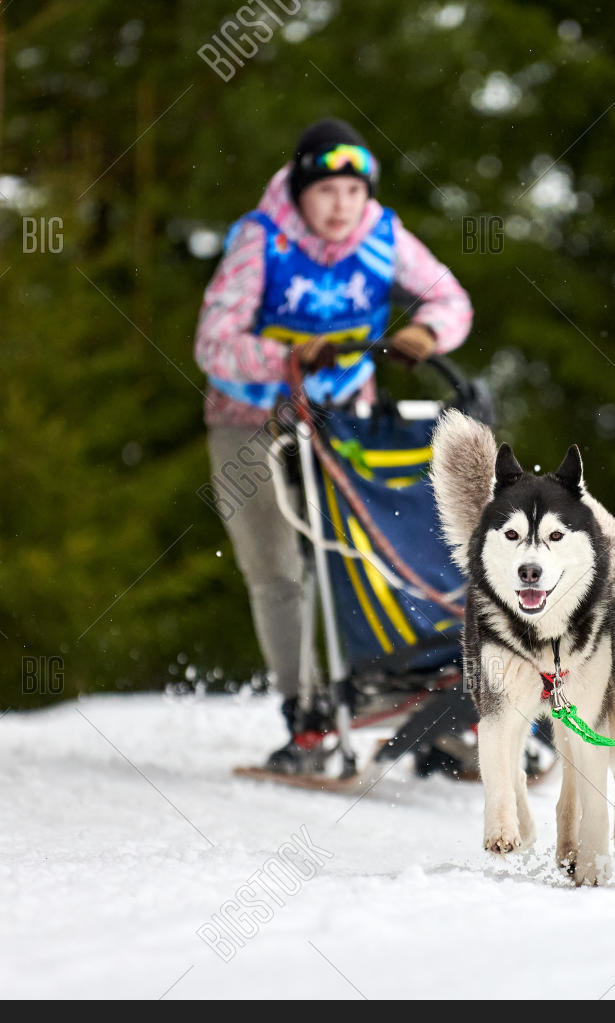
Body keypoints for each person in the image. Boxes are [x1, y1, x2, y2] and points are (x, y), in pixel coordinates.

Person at [194, 118, 472, 772]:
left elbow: (450, 298)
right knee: (278, 571)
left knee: (379, 550)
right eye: (326, 191)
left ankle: (422, 707)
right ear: (300, 191)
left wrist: (428, 332)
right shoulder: (259, 240)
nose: (341, 205)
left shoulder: (382, 235)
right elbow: (212, 342)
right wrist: (287, 354)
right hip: (250, 417)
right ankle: (308, 717)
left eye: (352, 190)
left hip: (346, 418)